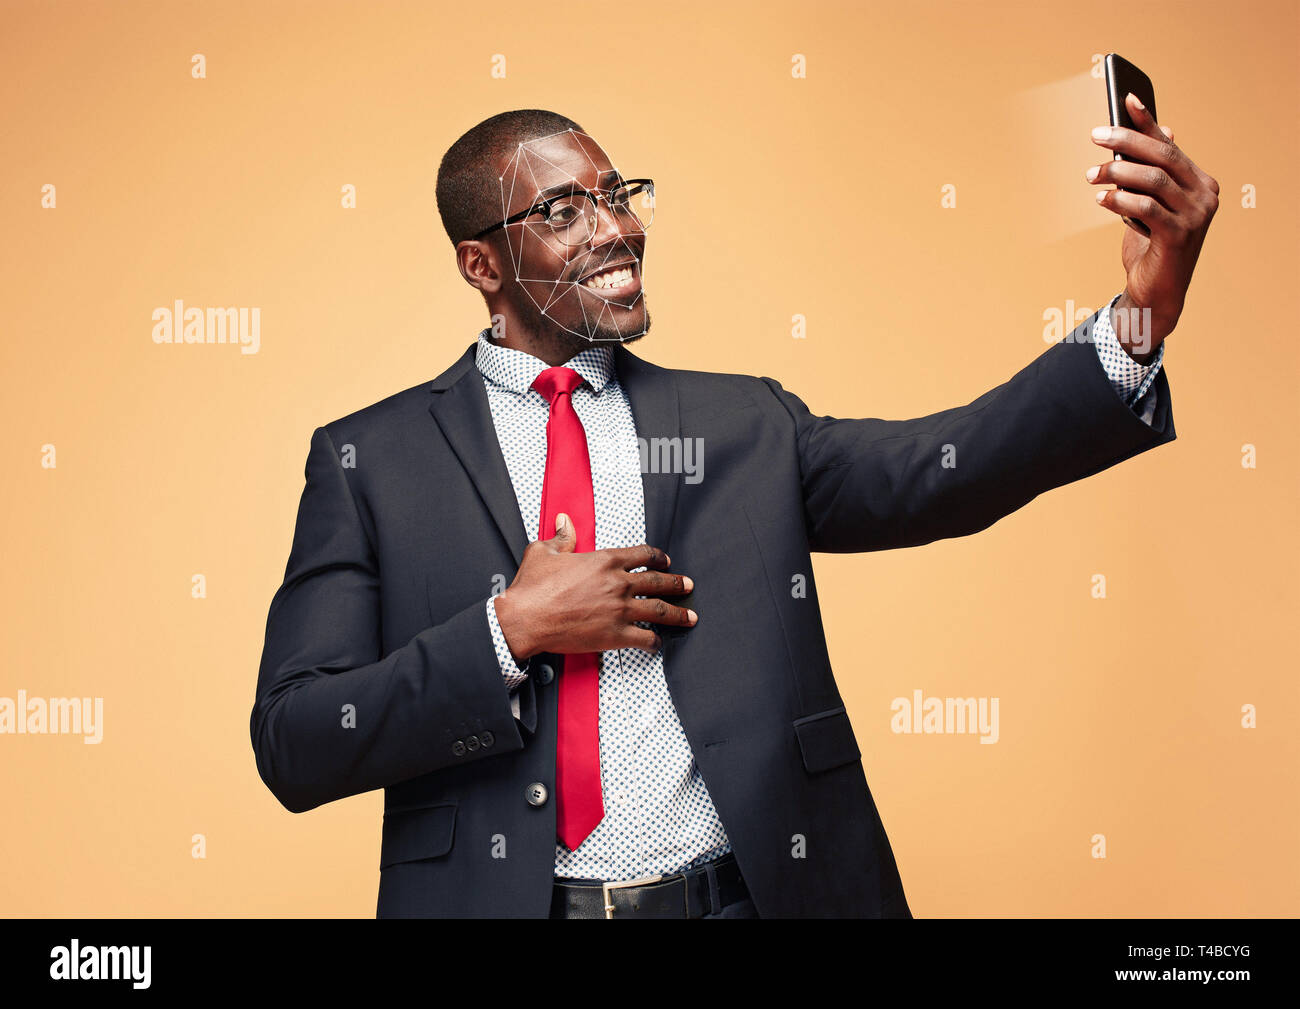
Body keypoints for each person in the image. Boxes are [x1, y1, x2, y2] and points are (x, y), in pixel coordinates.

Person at [251, 105, 1218, 918]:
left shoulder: (741, 420)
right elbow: (297, 740)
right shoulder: (368, 459)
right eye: (561, 210)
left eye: (618, 195)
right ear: (481, 264)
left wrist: (1141, 315)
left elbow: (945, 467)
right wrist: (507, 632)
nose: (614, 228)